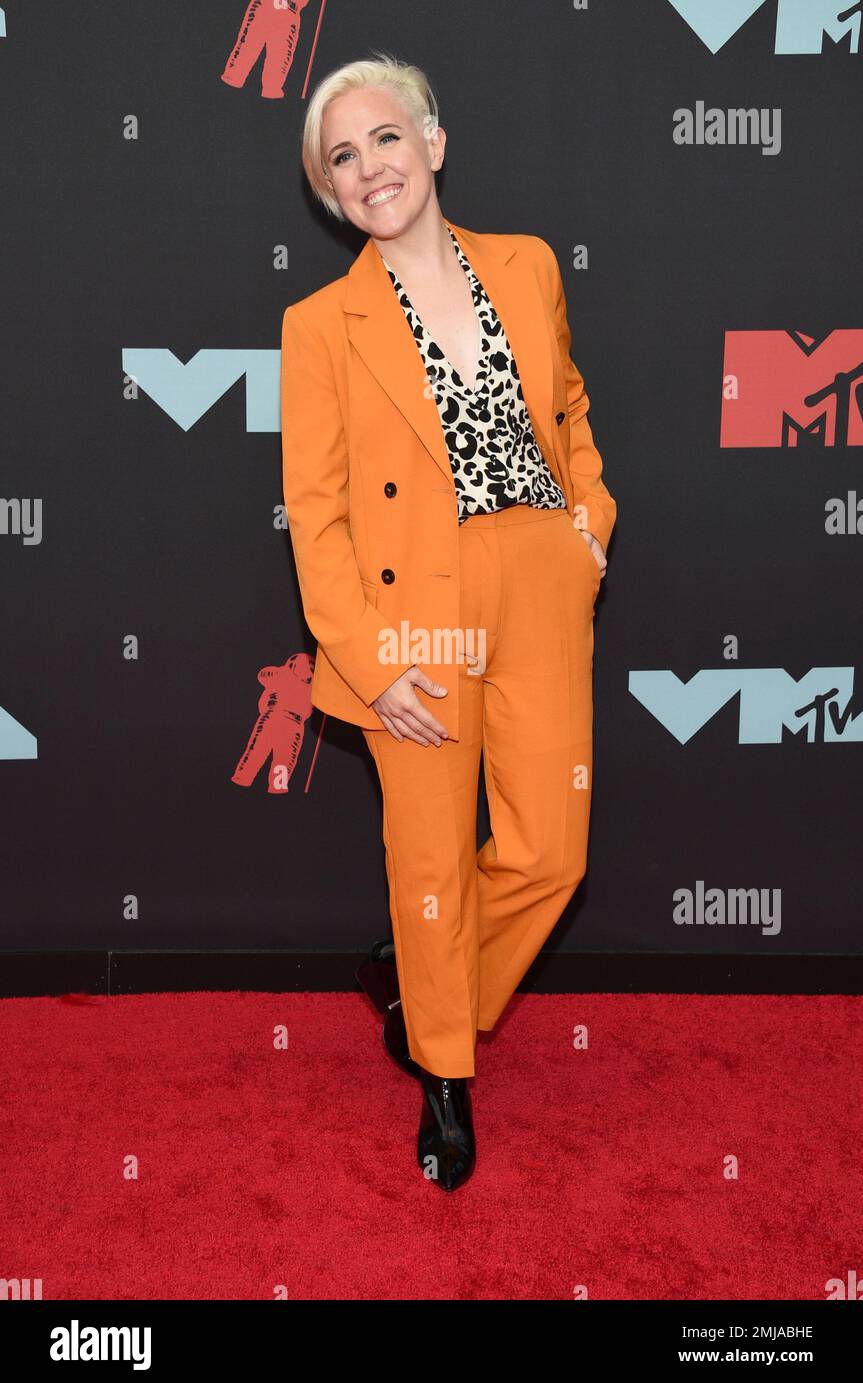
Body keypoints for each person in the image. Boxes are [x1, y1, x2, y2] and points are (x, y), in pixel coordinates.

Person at [280, 51, 617, 1193]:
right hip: (405, 608)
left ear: (432, 142)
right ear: (330, 196)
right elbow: (314, 522)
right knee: (427, 859)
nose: (369, 166)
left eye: (385, 138)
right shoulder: (318, 327)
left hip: (536, 575)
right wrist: (373, 669)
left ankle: (437, 986)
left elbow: (565, 408)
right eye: (342, 157)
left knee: (548, 849)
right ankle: (442, 1073)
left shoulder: (523, 267)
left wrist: (589, 525)